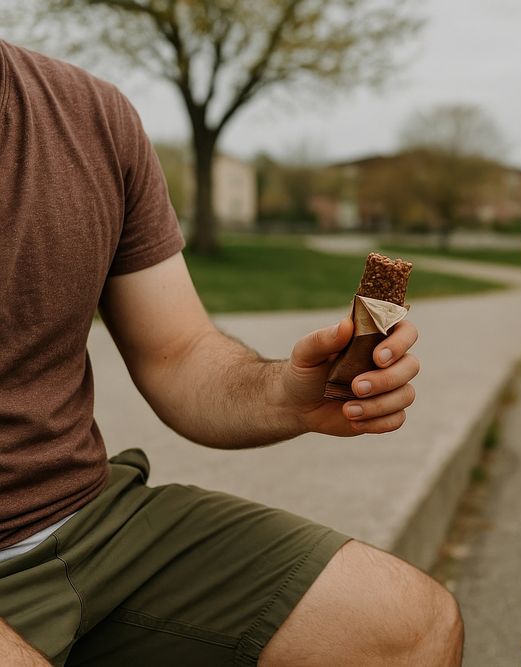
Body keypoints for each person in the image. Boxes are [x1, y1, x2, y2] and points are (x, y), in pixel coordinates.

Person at [0, 39, 462, 666]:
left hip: (87, 525)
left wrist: (286, 394)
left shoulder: (91, 116)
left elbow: (178, 351)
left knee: (411, 628)